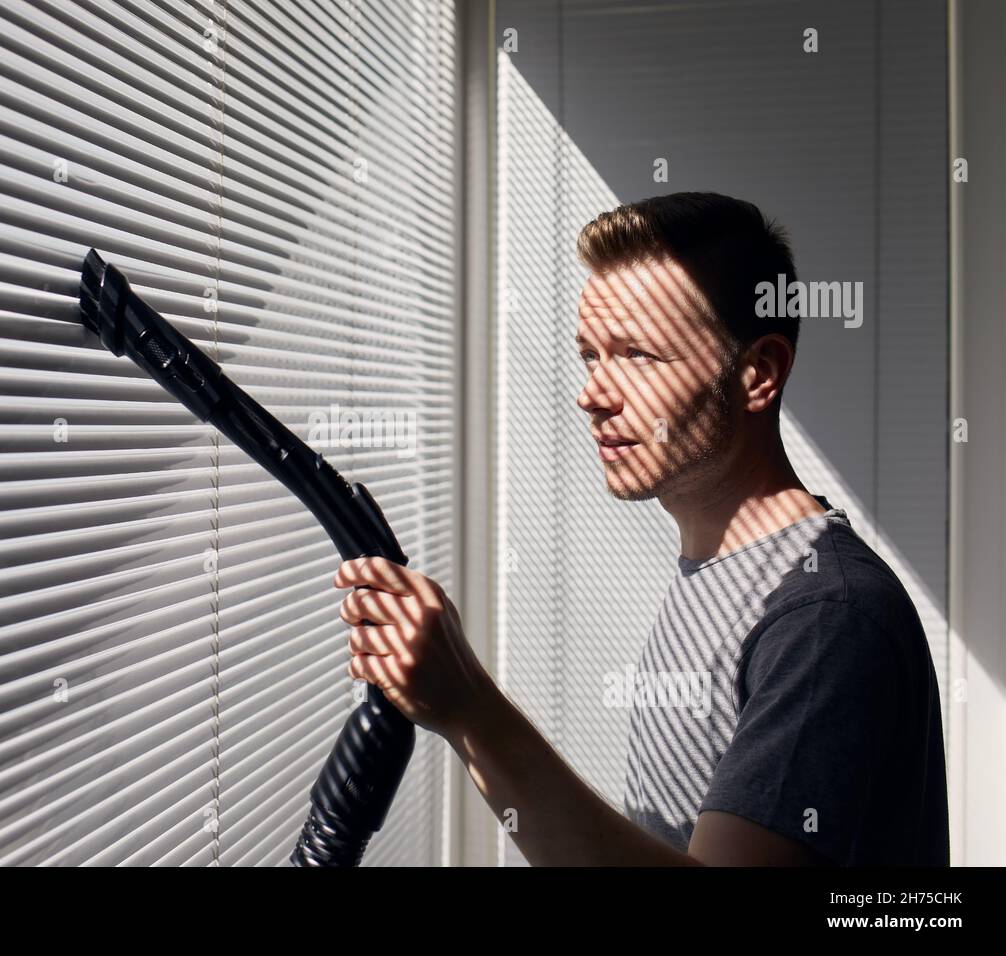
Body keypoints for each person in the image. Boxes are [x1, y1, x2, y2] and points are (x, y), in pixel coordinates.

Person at [335, 192, 949, 866]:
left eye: (638, 356)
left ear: (758, 374)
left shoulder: (824, 618)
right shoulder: (725, 570)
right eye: (591, 356)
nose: (592, 394)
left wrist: (469, 709)